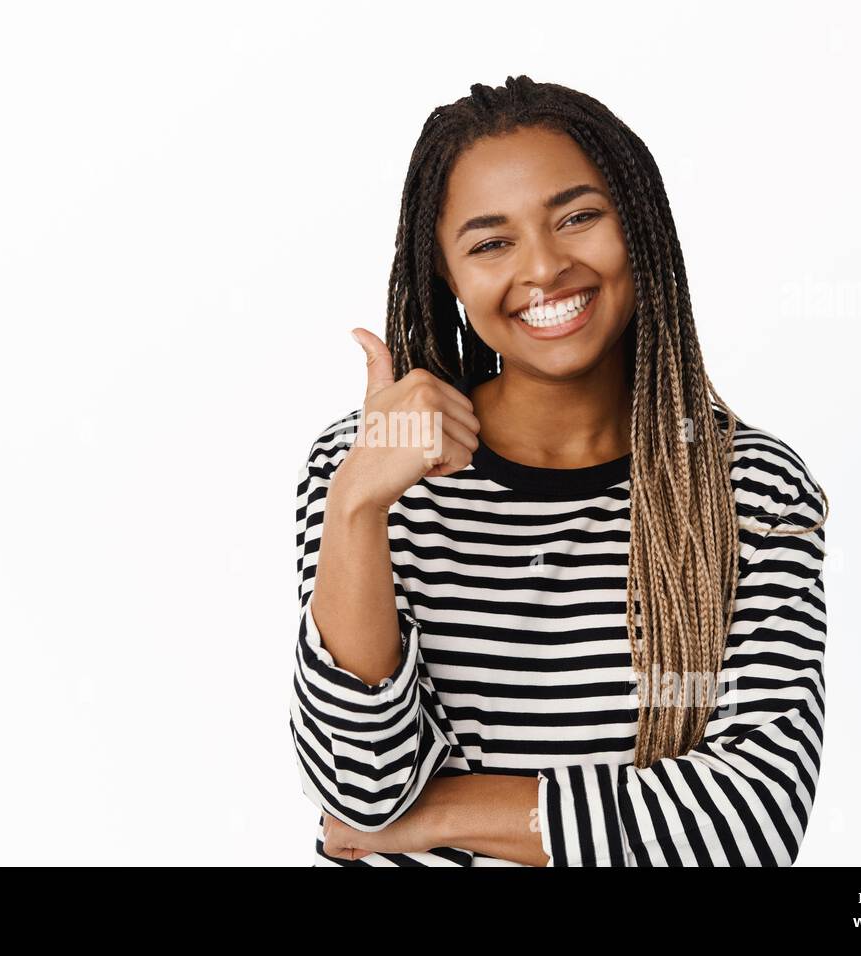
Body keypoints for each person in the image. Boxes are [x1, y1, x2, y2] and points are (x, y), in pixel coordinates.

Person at [288, 75, 829, 866]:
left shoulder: (753, 489)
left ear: (637, 226)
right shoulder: (363, 469)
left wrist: (431, 817)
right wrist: (358, 507)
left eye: (578, 217)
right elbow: (359, 788)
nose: (544, 268)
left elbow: (748, 822)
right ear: (446, 273)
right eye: (490, 242)